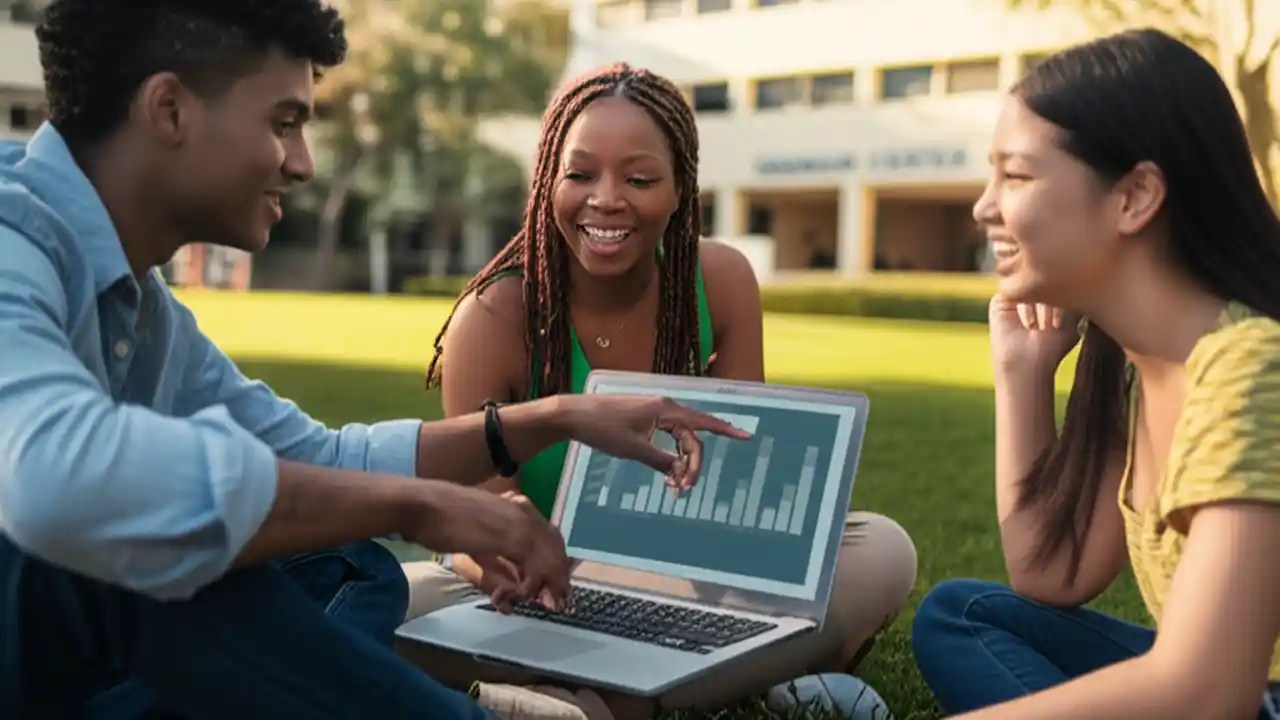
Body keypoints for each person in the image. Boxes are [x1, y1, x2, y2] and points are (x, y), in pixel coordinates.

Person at [0, 3, 753, 719]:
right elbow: (61, 484)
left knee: (351, 565)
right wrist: (419, 506)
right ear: (170, 110)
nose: (302, 163)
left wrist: (557, 417)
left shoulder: (144, 309)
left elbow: (327, 457)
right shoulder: (12, 239)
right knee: (123, 545)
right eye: (285, 123)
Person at [402, 63, 918, 718]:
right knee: (386, 600)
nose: (606, 199)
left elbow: (741, 472)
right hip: (540, 588)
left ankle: (587, 702)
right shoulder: (495, 317)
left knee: (881, 550)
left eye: (640, 178)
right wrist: (537, 567)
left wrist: (708, 572)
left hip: (697, 583)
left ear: (680, 190)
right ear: (546, 182)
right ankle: (728, 682)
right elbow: (480, 523)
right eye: (580, 174)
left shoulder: (720, 280)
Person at [910, 28, 1280, 719]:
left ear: (1135, 197)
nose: (983, 206)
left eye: (1015, 176)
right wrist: (1022, 373)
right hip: (1227, 686)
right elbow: (1051, 573)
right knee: (966, 614)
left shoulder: (1249, 365)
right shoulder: (1142, 366)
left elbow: (1209, 693)